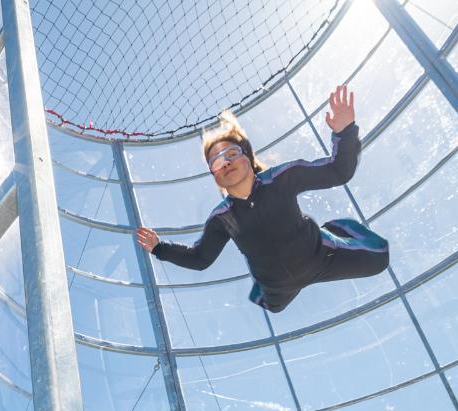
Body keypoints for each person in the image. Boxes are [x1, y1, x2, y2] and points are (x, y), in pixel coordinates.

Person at [136, 85, 389, 313]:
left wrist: (345, 133)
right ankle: (264, 289)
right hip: (275, 287)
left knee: (380, 257)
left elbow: (338, 171)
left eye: (232, 153)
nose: (225, 162)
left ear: (247, 157)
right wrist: (159, 248)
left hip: (321, 255)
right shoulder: (221, 218)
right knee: (272, 307)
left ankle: (336, 228)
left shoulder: (280, 179)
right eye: (216, 160)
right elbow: (200, 259)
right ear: (214, 176)